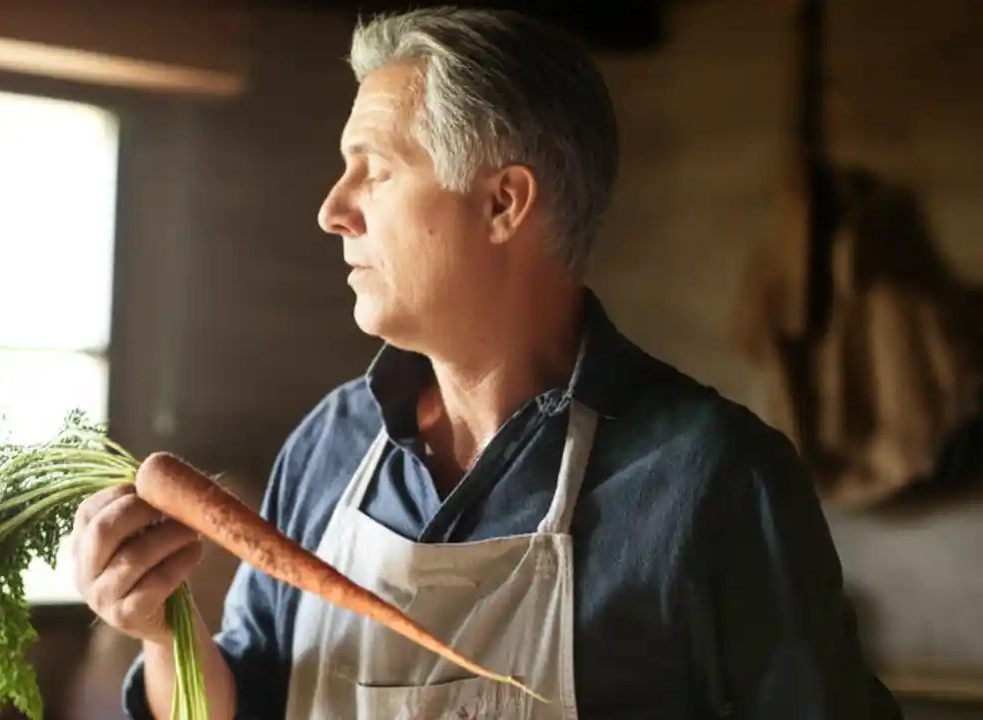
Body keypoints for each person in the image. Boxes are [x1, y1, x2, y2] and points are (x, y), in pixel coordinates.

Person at [71, 7, 904, 719]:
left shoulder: (715, 481)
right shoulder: (328, 446)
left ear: (502, 203)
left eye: (377, 171)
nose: (332, 210)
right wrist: (160, 629)